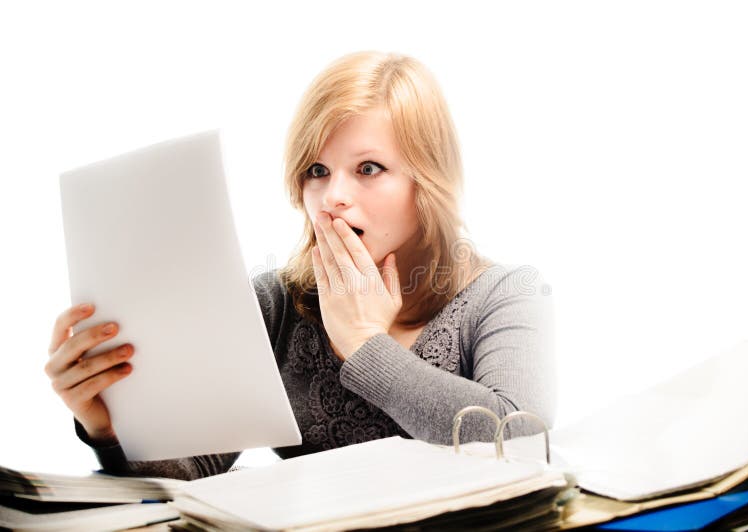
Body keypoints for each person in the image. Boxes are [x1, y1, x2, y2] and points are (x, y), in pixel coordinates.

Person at [44, 51, 556, 481]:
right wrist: (108, 428)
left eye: (368, 169)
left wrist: (363, 345)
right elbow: (192, 471)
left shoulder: (504, 292)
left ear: (427, 182)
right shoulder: (275, 304)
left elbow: (522, 442)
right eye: (317, 171)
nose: (332, 197)